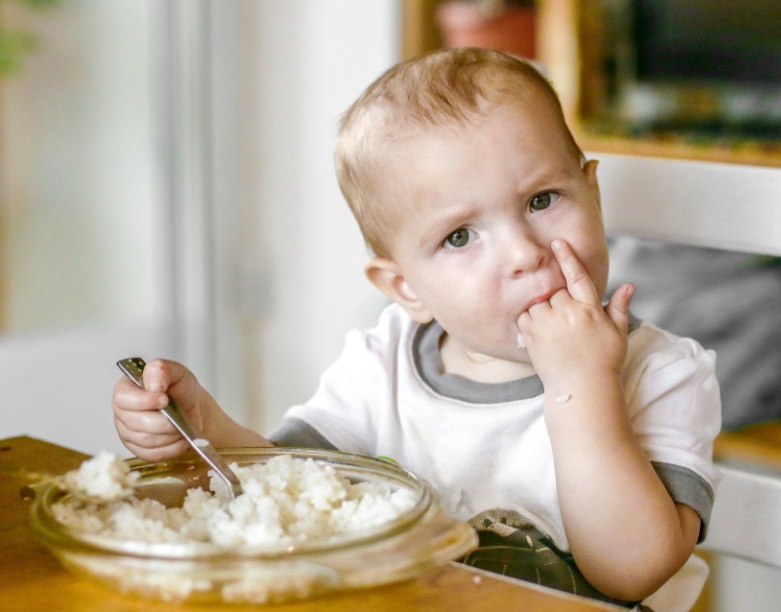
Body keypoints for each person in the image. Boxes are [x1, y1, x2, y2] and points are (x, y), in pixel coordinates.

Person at [113, 48, 721, 611]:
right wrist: (206, 432)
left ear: (592, 192)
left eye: (542, 200)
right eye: (460, 236)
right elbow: (295, 485)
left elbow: (633, 572)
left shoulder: (660, 372)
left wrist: (581, 385)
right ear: (405, 288)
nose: (523, 253)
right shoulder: (383, 363)